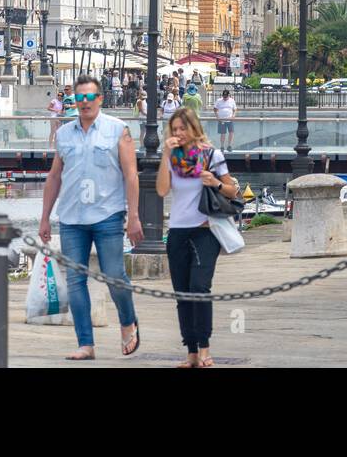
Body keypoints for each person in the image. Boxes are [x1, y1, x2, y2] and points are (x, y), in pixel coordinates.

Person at [37, 73, 142, 360]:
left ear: (100, 99)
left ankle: (127, 322)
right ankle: (86, 343)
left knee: (114, 275)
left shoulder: (117, 130)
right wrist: (45, 217)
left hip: (108, 214)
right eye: (78, 98)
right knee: (75, 280)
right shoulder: (64, 134)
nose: (83, 103)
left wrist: (133, 216)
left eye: (89, 97)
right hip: (71, 217)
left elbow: (131, 176)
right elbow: (55, 176)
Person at [156, 106, 238, 368]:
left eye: (183, 128)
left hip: (205, 230)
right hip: (178, 231)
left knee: (199, 288)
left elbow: (232, 191)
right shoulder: (173, 157)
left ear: (194, 128)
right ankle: (190, 351)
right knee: (182, 292)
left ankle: (205, 348)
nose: (178, 133)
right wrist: (165, 154)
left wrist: (214, 182)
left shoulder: (212, 155)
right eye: (175, 129)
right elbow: (161, 190)